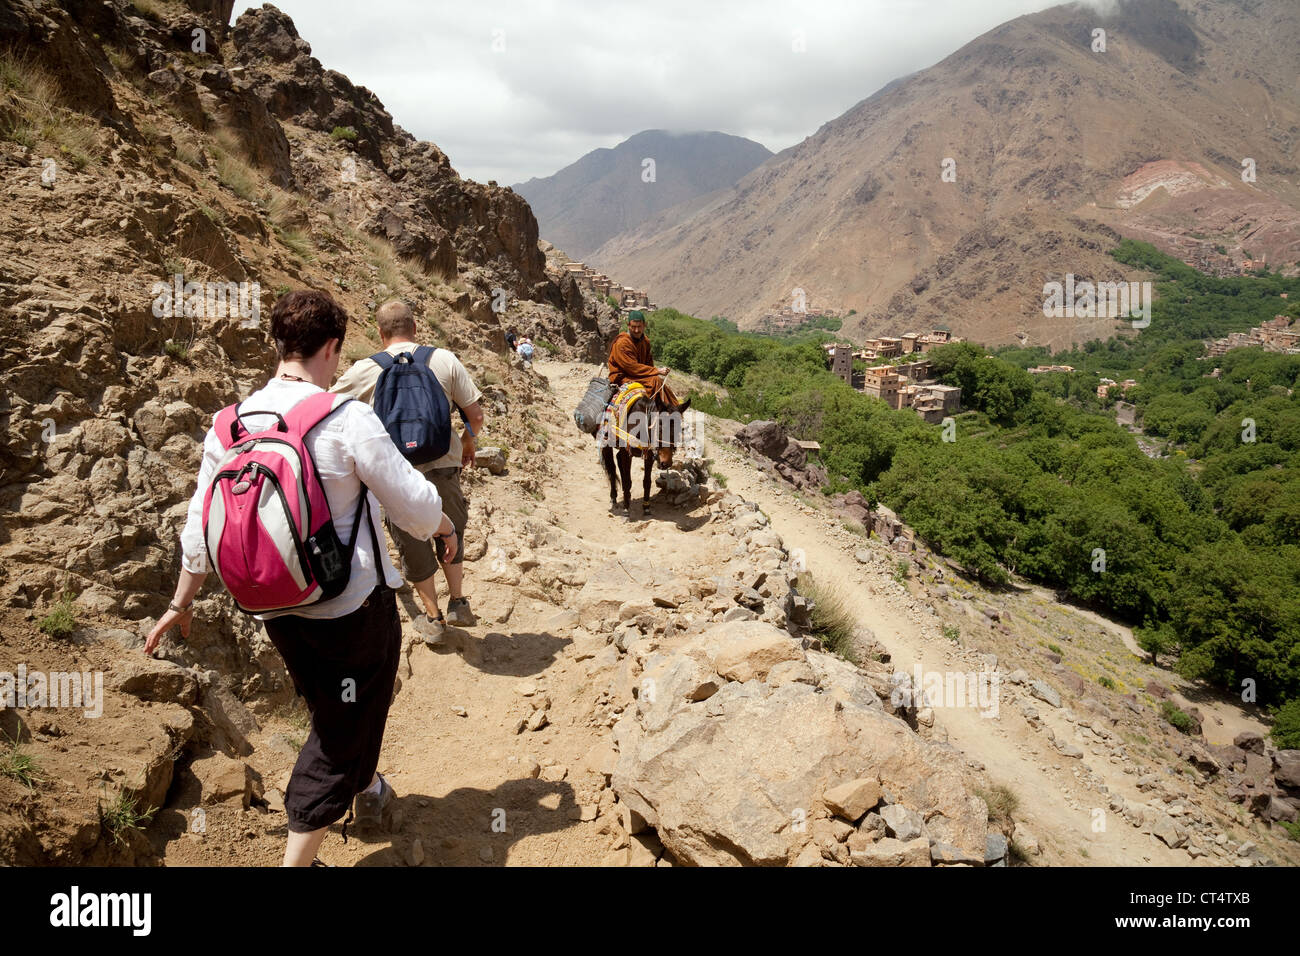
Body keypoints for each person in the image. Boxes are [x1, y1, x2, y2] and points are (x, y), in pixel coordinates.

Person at [144, 289, 457, 866]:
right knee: (342, 728)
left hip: (274, 604)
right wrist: (443, 526)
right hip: (350, 607)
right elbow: (412, 506)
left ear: (278, 343)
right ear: (332, 347)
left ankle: (366, 790)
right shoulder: (346, 417)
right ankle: (299, 857)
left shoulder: (227, 426)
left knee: (333, 704)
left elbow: (200, 517)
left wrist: (182, 599)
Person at [331, 300, 484, 642]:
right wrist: (468, 441)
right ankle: (458, 601)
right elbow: (475, 416)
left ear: (380, 333)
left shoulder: (365, 370)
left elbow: (326, 408)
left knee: (412, 541)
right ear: (415, 328)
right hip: (443, 464)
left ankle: (433, 618)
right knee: (451, 529)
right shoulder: (443, 359)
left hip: (396, 474)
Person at [607, 310, 689, 413]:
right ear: (628, 325)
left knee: (657, 381)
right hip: (623, 375)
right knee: (655, 380)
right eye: (633, 327)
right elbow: (631, 367)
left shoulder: (645, 341)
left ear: (644, 325)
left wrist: (653, 371)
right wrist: (656, 371)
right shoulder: (622, 343)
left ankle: (673, 409)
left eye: (639, 327)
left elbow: (649, 361)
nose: (636, 330)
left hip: (638, 374)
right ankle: (667, 411)